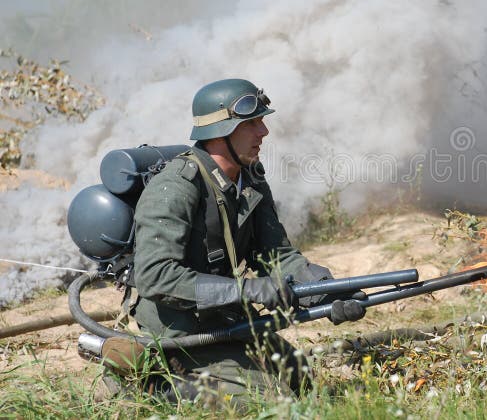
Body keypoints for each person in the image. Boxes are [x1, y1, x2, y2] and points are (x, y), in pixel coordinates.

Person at [128, 78, 366, 403]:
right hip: (179, 330)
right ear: (220, 133)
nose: (263, 131)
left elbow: (276, 255)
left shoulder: (249, 176)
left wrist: (327, 290)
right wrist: (249, 290)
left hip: (224, 316)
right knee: (272, 401)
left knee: (302, 380)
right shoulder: (176, 187)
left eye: (261, 121)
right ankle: (152, 385)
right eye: (251, 123)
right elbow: (155, 277)